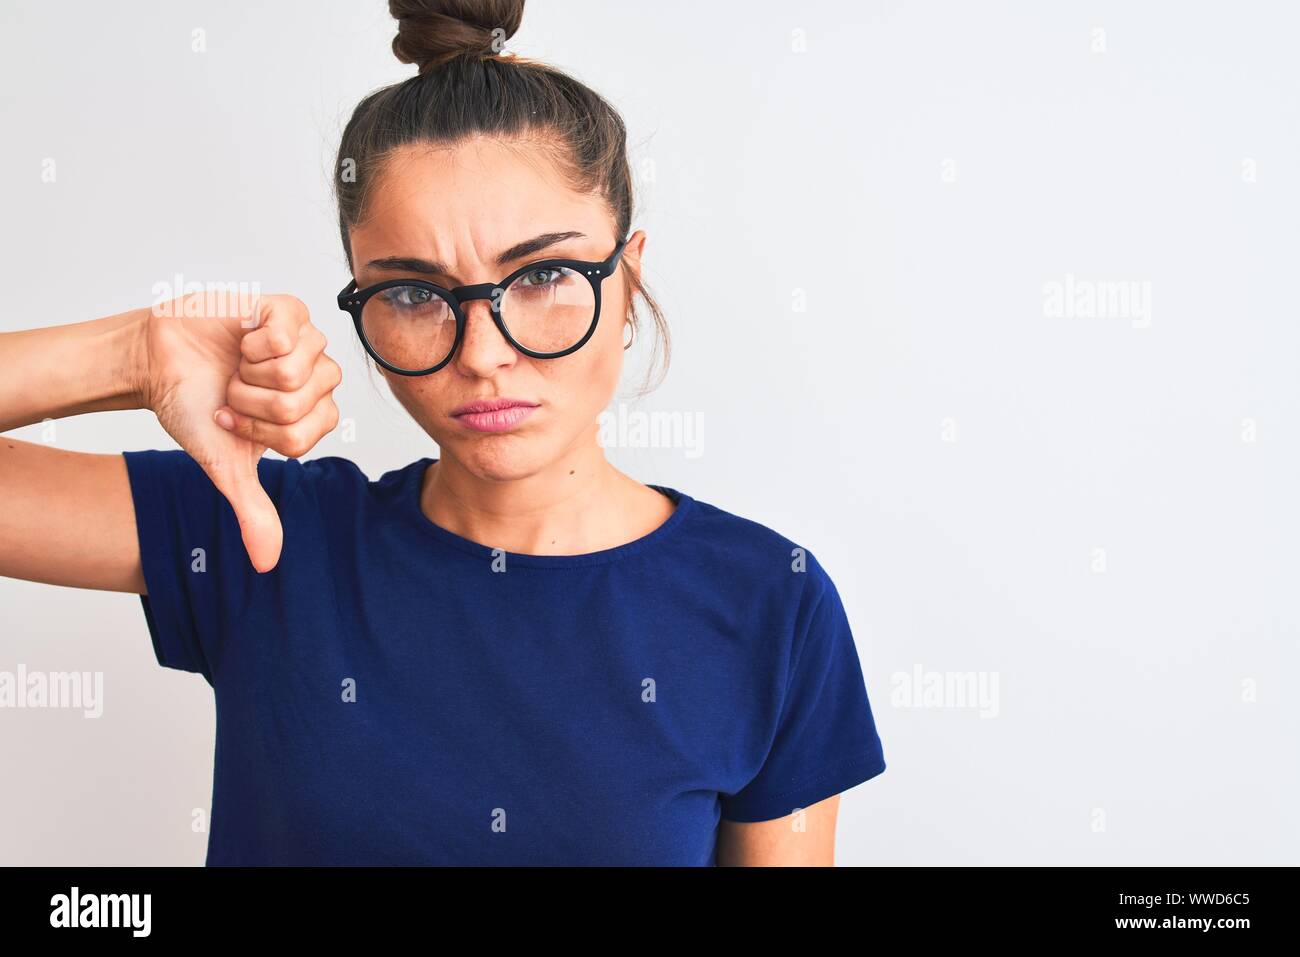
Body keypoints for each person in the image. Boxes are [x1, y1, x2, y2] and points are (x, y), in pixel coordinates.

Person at [0, 0, 886, 866]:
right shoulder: (262, 535)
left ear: (630, 277)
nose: (486, 354)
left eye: (541, 274)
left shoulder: (773, 606)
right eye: (416, 294)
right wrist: (130, 353)